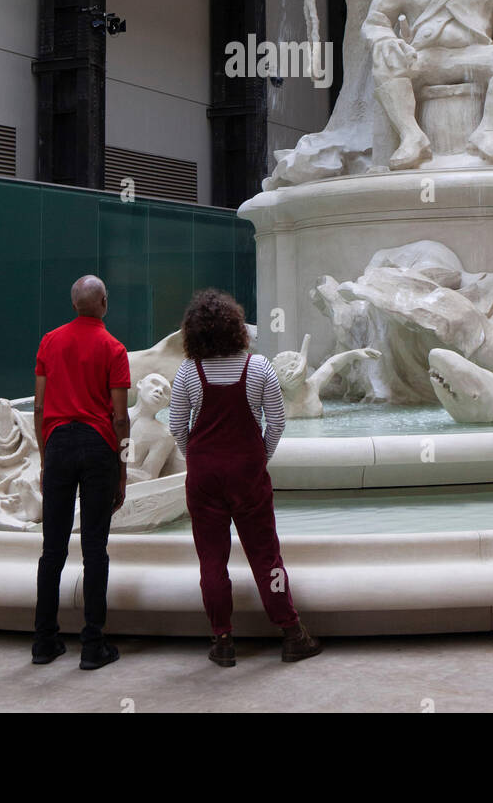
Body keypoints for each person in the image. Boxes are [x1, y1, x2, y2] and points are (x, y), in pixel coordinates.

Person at [168, 289, 322, 666]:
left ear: (194, 333)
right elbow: (278, 422)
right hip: (247, 474)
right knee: (266, 555)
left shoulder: (189, 371)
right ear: (236, 327)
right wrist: (259, 458)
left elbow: (175, 425)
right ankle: (291, 632)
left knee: (212, 560)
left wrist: (197, 458)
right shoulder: (260, 368)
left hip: (205, 477)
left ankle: (222, 640)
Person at [32, 274, 130, 670]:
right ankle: (93, 646)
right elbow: (121, 417)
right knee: (95, 549)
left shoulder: (49, 342)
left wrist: (44, 458)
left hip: (57, 444)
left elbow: (38, 409)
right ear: (104, 302)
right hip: (98, 447)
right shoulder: (114, 348)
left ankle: (44, 642)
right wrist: (122, 470)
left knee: (52, 549)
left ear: (74, 304)